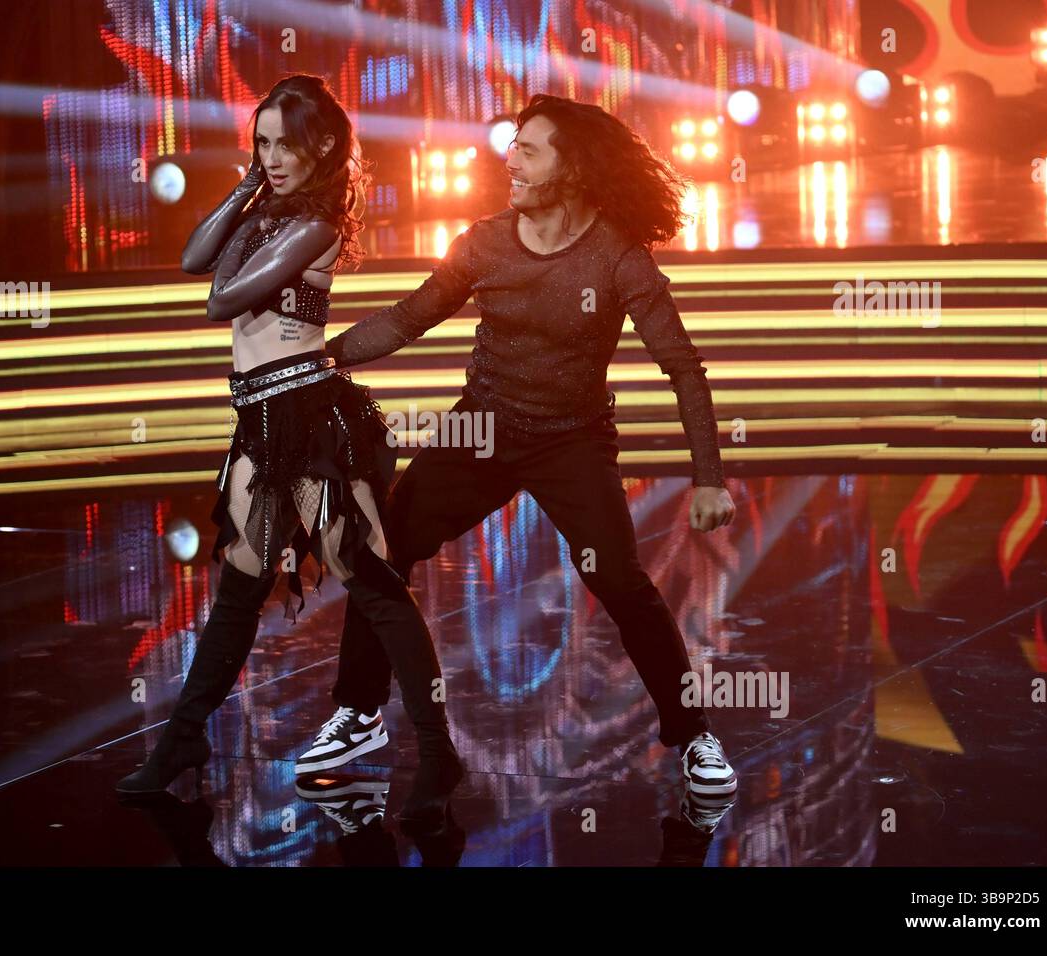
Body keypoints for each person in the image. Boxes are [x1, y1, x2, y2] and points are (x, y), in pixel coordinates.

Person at [297, 93, 739, 796]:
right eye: (514, 145)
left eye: (529, 149)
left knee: (619, 581)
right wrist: (319, 362)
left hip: (572, 444)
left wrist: (709, 479)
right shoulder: (484, 243)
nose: (511, 157)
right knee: (384, 547)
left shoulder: (618, 259)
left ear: (573, 169)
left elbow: (683, 367)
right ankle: (357, 713)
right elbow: (409, 319)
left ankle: (693, 736)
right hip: (484, 430)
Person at [117, 74, 464, 829]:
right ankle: (180, 744)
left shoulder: (317, 224)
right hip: (261, 422)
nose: (272, 156)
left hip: (310, 421)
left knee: (369, 582)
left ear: (326, 146)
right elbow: (190, 260)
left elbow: (220, 299)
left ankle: (439, 751)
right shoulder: (267, 209)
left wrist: (252, 208)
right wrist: (246, 184)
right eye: (261, 142)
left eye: (285, 144)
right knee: (240, 590)